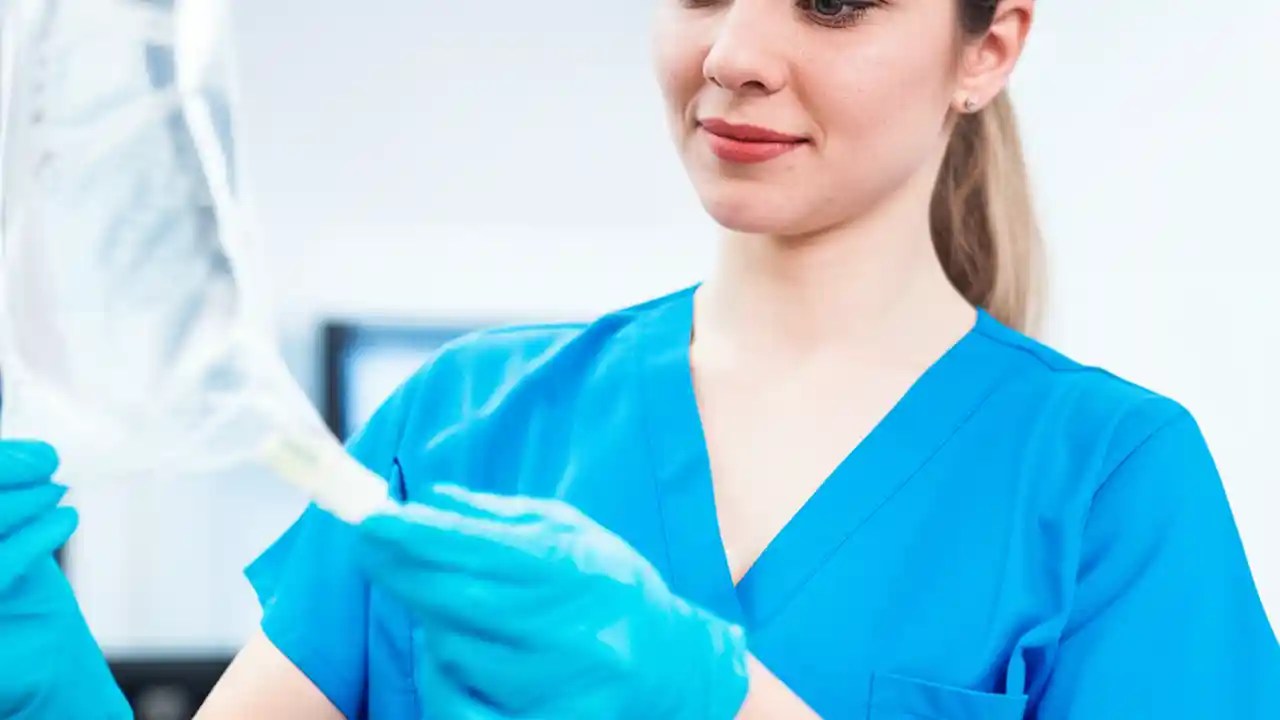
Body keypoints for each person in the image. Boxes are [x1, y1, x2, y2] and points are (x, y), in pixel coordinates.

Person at [1, 0, 1278, 717]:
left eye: (832, 0)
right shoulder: (460, 420)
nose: (733, 55)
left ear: (985, 49)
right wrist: (34, 659)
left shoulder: (1108, 481)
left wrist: (720, 702)